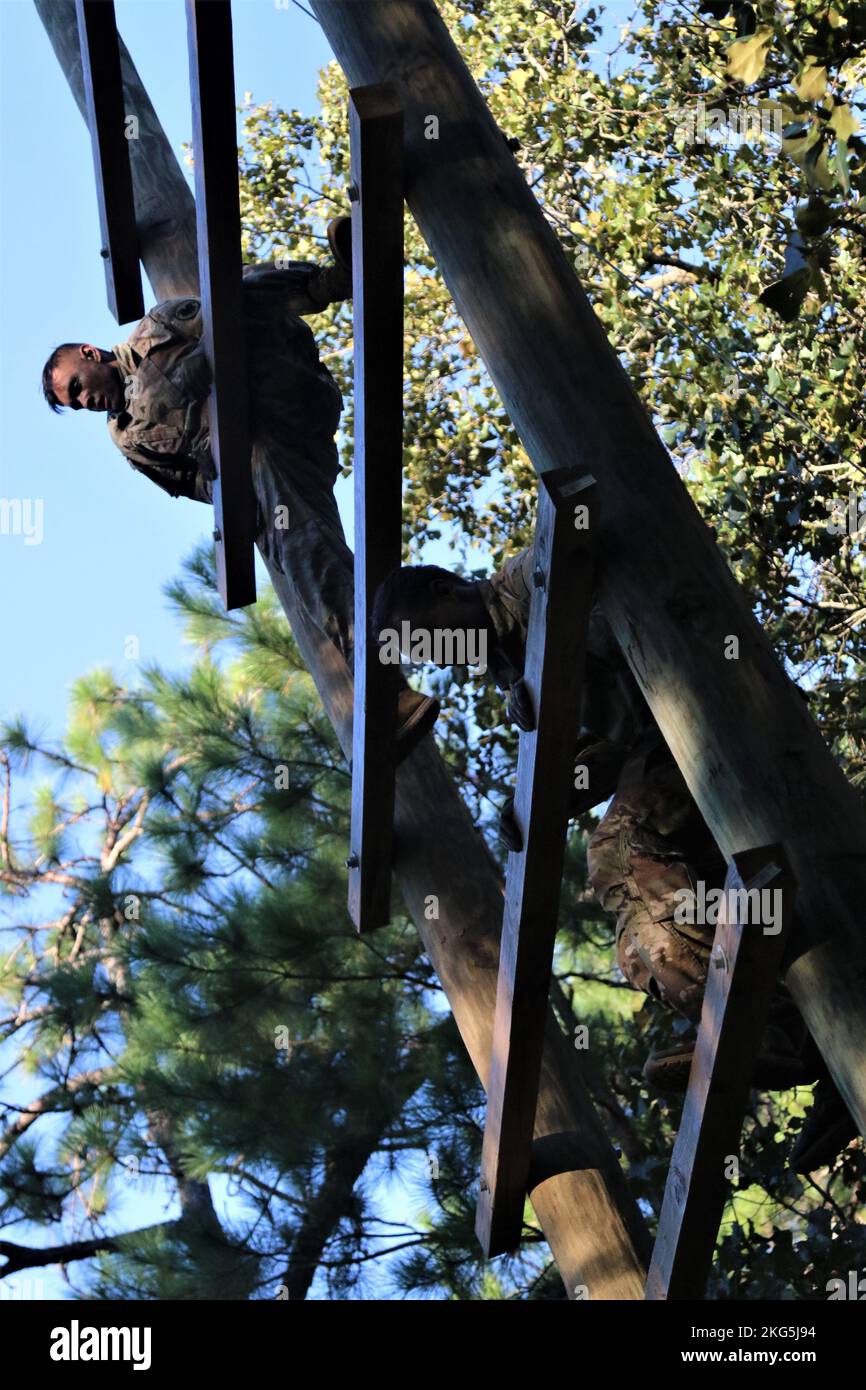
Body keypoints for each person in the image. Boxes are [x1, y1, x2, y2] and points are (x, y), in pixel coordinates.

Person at [371, 548, 857, 1171]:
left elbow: (641, 606)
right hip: (663, 758)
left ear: (446, 594)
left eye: (432, 640)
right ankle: (811, 1045)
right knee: (638, 947)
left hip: (703, 716)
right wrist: (548, 781)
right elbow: (609, 749)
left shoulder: (532, 579)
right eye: (429, 657)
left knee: (618, 857)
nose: (443, 658)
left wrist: (547, 681)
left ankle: (775, 1025)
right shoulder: (510, 668)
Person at [40, 218, 437, 759]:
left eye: (77, 388)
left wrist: (200, 372)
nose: (84, 402)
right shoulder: (127, 438)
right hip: (263, 455)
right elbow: (195, 485)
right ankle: (387, 686)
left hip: (283, 386)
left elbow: (226, 319)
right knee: (301, 546)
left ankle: (332, 281)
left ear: (89, 354)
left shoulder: (155, 328)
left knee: (231, 291)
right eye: (74, 404)